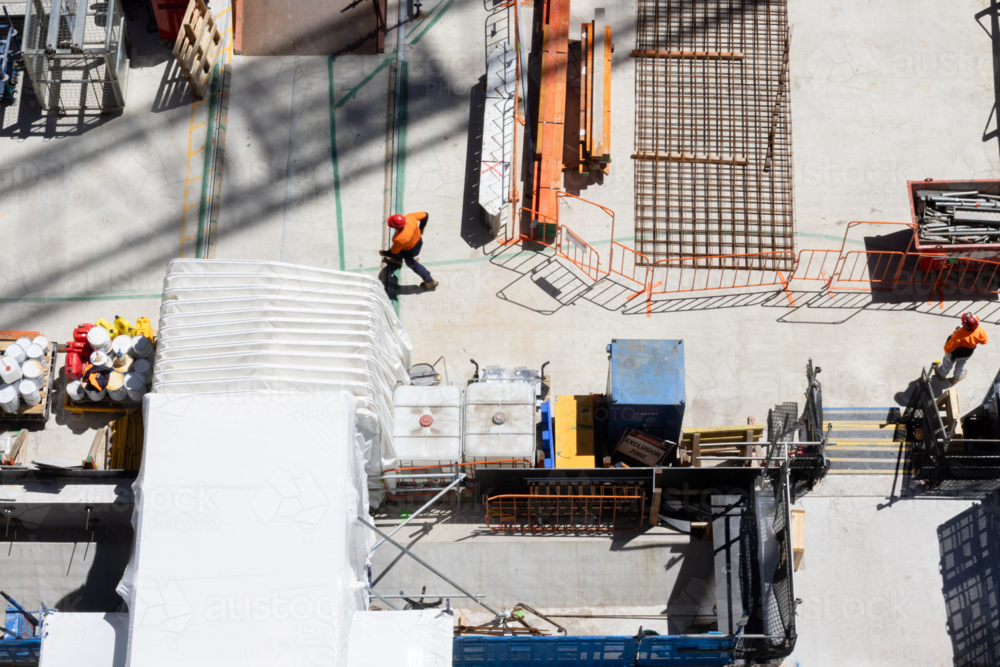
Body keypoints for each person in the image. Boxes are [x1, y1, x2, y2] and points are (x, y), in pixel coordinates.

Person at [379, 212, 438, 290]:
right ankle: (397, 260)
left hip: (410, 250)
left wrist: (384, 253)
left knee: (411, 263)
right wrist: (421, 228)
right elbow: (426, 215)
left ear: (395, 227)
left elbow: (393, 252)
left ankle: (430, 281)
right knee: (400, 251)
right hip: (418, 241)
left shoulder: (398, 239)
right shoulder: (410, 218)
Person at [937, 312, 988, 384]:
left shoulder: (958, 335)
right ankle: (956, 378)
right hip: (967, 354)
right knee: (961, 365)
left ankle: (942, 375)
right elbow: (984, 342)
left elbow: (947, 349)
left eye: (963, 322)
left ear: (965, 325)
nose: (961, 322)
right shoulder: (980, 330)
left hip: (953, 355)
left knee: (947, 363)